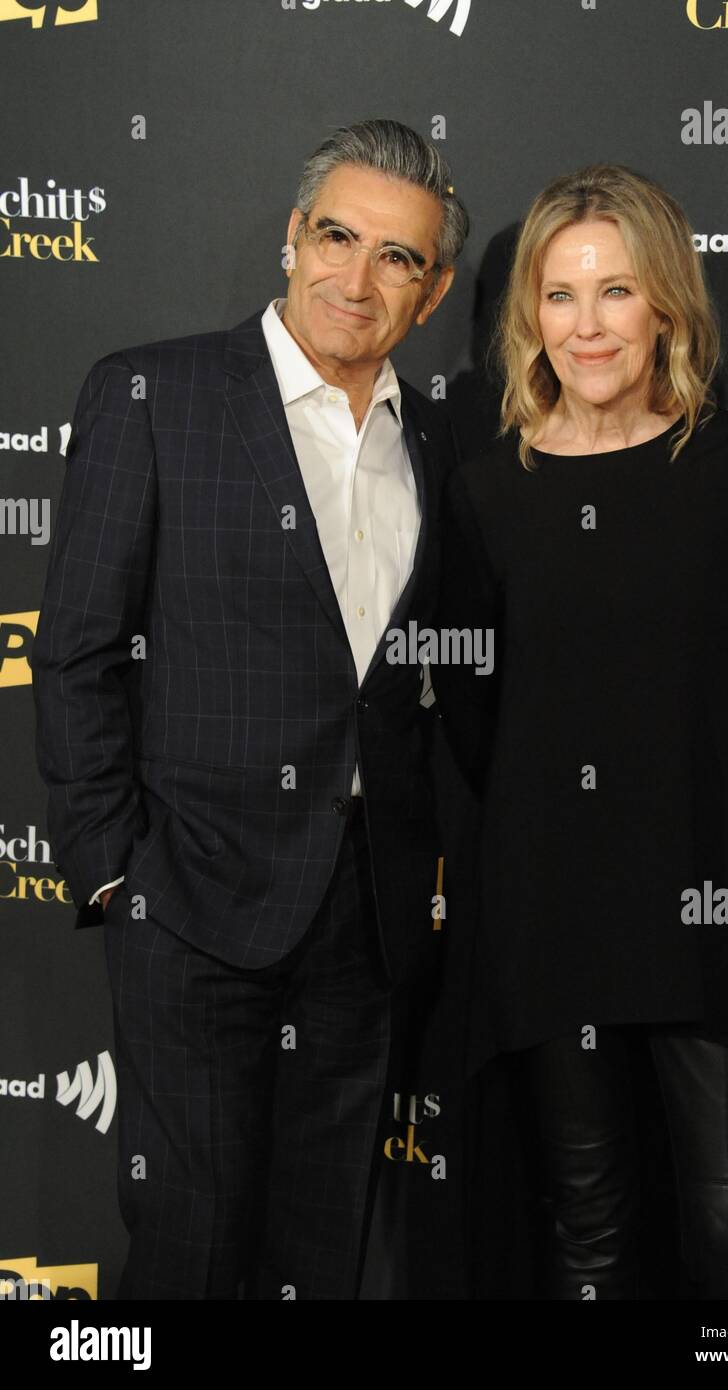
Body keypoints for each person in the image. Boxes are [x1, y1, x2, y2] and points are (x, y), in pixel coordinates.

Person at [31, 118, 467, 1300]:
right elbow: (75, 652)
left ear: (432, 292)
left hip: (365, 922)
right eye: (337, 237)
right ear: (292, 236)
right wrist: (114, 874)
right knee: (192, 1246)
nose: (356, 279)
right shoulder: (155, 393)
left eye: (397, 257)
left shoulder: (439, 439)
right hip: (191, 904)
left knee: (318, 1254)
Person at [435, 163, 728, 1299]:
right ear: (529, 317)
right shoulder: (488, 493)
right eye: (560, 295)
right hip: (551, 918)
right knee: (589, 1231)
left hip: (707, 911)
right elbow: (473, 712)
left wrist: (700, 817)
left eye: (615, 290)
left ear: (665, 304)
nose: (588, 325)